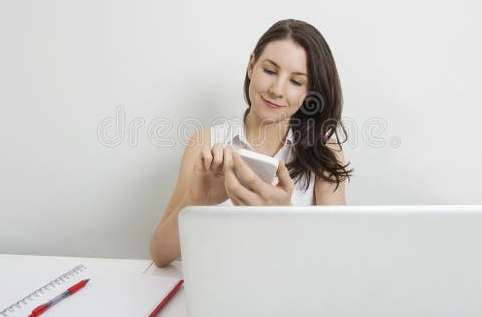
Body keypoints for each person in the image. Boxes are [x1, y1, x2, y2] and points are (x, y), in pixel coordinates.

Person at [149, 19, 353, 267]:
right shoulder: (206, 143)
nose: (278, 90)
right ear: (251, 66)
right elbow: (159, 254)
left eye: (296, 81)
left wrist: (284, 215)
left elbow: (339, 256)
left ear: (309, 92)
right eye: (269, 71)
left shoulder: (324, 150)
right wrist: (195, 199)